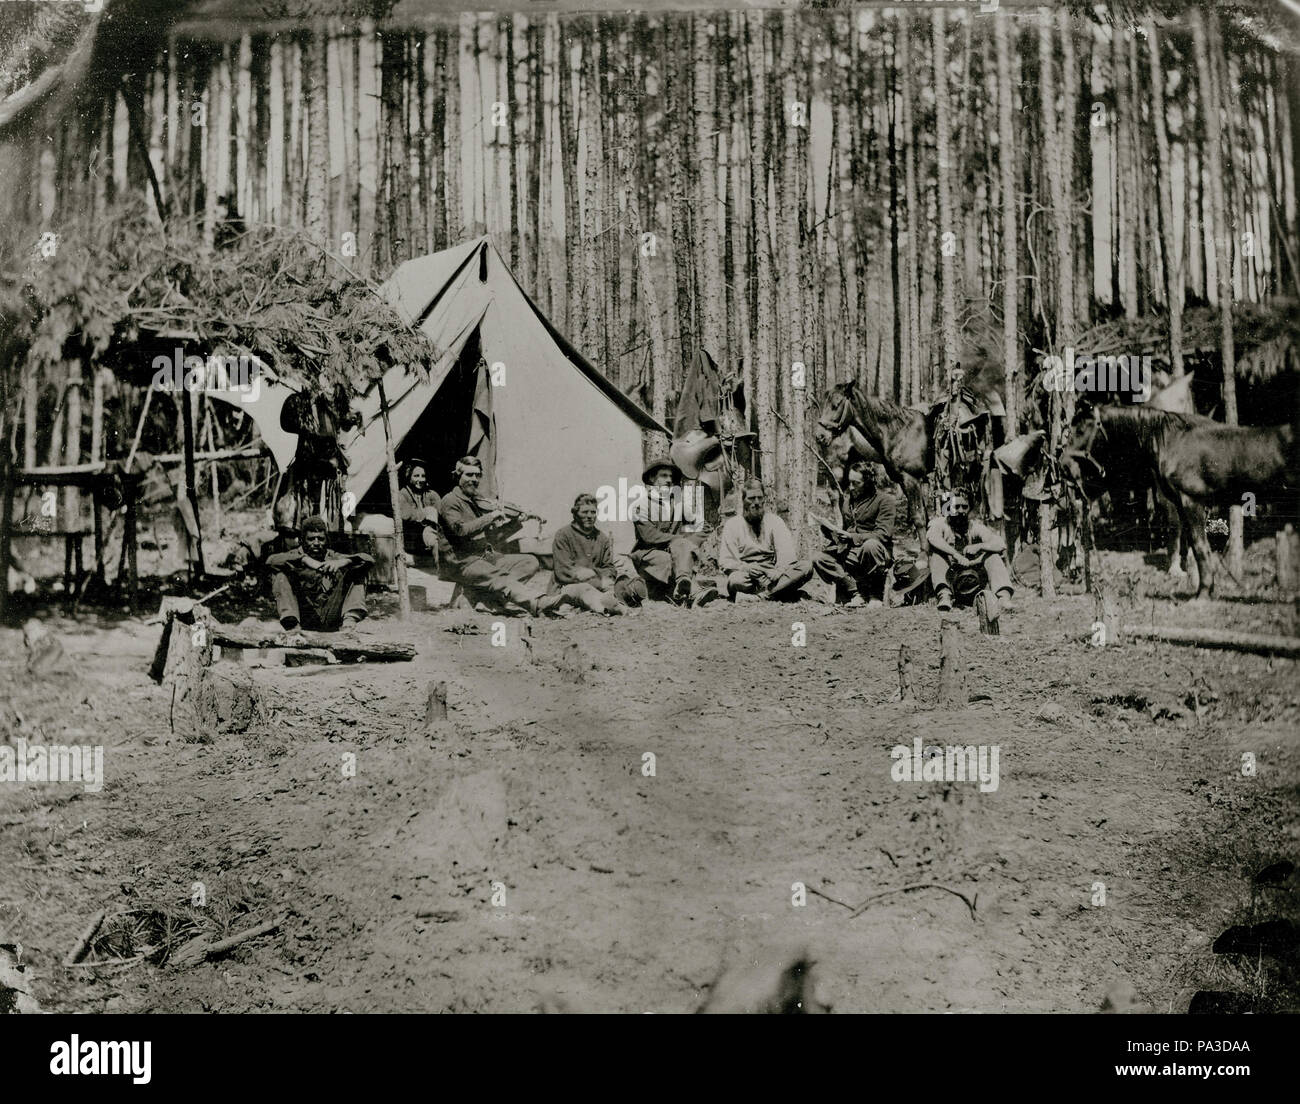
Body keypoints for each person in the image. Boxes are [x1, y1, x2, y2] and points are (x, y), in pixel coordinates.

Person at [438, 455, 561, 616]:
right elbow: (461, 531)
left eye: (477, 475)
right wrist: (490, 517)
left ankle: (483, 598)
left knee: (529, 562)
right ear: (457, 476)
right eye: (469, 475)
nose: (474, 479)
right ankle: (536, 602)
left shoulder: (475, 501)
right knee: (498, 575)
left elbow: (492, 538)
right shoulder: (450, 501)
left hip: (483, 557)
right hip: (461, 563)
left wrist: (517, 522)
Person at [630, 460, 719, 607]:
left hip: (676, 552)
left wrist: (689, 543)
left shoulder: (678, 503)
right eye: (663, 476)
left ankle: (688, 589)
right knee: (673, 557)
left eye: (671, 477)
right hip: (648, 556)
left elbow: (704, 526)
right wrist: (680, 540)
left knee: (681, 551)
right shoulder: (641, 505)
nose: (669, 480)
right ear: (652, 479)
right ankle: (694, 589)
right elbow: (649, 536)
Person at [266, 515, 373, 633]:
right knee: (281, 576)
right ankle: (292, 628)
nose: (316, 543)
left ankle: (349, 625)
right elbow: (270, 561)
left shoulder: (332, 556)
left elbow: (368, 559)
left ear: (326, 540)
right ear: (302, 540)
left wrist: (344, 562)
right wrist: (305, 560)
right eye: (311, 539)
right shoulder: (293, 556)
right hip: (302, 617)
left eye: (320, 539)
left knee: (357, 571)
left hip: (329, 614)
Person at [813, 461, 898, 607]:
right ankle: (856, 592)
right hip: (852, 551)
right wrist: (830, 532)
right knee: (820, 558)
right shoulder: (848, 501)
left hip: (878, 552)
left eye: (856, 483)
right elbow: (848, 530)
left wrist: (853, 538)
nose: (851, 487)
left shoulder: (885, 501)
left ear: (869, 482)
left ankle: (875, 595)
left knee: (870, 546)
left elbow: (883, 534)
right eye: (849, 482)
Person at [551, 493, 648, 614]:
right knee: (585, 590)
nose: (589, 516)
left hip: (597, 584)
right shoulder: (563, 535)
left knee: (621, 588)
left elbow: (610, 569)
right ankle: (618, 609)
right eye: (585, 512)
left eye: (593, 512)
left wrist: (594, 573)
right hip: (566, 588)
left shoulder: (602, 538)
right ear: (575, 513)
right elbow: (563, 571)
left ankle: (614, 603)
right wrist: (595, 578)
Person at [718, 481, 813, 600]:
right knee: (736, 580)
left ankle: (759, 597)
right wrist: (745, 568)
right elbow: (726, 562)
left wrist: (778, 571)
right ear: (743, 501)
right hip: (747, 576)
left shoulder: (775, 521)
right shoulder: (733, 524)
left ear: (764, 500)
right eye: (751, 498)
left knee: (806, 567)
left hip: (772, 576)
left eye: (759, 498)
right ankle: (782, 592)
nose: (756, 503)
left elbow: (787, 555)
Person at [926, 489, 1014, 613]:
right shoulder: (940, 524)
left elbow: (1000, 544)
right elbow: (933, 538)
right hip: (950, 578)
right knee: (937, 555)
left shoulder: (974, 526)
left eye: (965, 507)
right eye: (956, 507)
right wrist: (955, 554)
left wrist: (980, 546)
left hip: (973, 578)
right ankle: (944, 596)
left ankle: (1003, 598)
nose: (961, 511)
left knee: (993, 556)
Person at [397, 459, 443, 561]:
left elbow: (441, 513)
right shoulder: (402, 494)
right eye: (416, 476)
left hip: (431, 533)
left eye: (423, 476)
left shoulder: (432, 494)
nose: (421, 479)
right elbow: (405, 514)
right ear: (409, 477)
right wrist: (426, 513)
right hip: (412, 537)